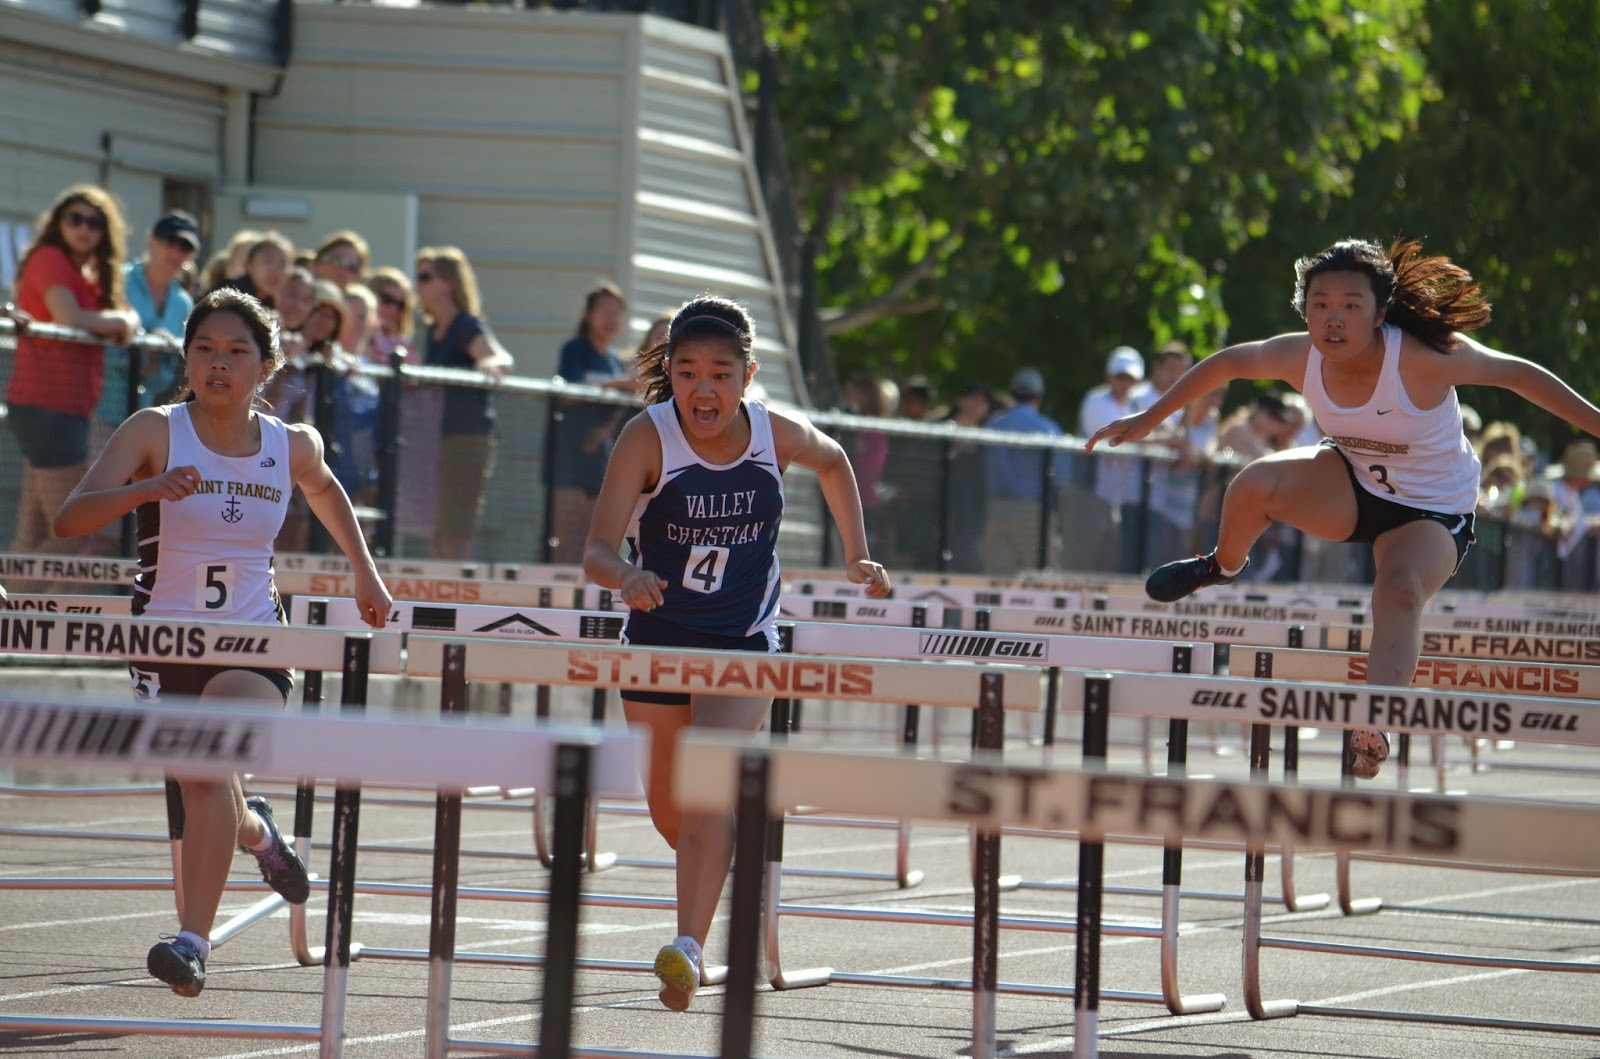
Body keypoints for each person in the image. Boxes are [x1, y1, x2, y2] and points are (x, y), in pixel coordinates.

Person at [1088, 238, 1600, 779]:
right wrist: (1149, 418)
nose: (1333, 319)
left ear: (1380, 313)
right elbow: (1229, 363)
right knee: (1252, 485)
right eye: (1320, 305)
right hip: (1352, 486)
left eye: (1351, 306)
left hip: (1431, 512)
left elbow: (1521, 376)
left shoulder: (1424, 358)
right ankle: (1221, 566)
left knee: (1399, 588)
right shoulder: (1299, 356)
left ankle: (1375, 722)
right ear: (1305, 310)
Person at [52, 288, 392, 996]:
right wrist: (144, 492)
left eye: (237, 351)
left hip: (254, 642)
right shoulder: (154, 430)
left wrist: (366, 573)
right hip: (163, 642)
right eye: (204, 348)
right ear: (186, 358)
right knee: (208, 784)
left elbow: (326, 491)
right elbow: (70, 519)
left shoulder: (289, 443)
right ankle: (260, 833)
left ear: (265, 367)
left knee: (208, 766)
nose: (218, 363)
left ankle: (193, 943)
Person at [580, 295, 890, 1012]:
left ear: (746, 376)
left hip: (744, 642)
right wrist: (626, 575)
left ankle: (687, 948)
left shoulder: (772, 435)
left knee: (708, 783)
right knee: (672, 810)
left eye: (720, 373)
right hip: (657, 640)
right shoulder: (646, 437)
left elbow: (836, 460)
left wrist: (858, 555)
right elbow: (595, 548)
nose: (703, 389)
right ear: (671, 377)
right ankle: (715, 863)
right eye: (686, 372)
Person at [4, 185, 142, 592]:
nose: (84, 229)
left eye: (95, 222)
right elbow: (69, 316)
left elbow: (129, 318)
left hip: (67, 410)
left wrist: (120, 321)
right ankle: (10, 614)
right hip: (46, 409)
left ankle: (10, 634)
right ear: (58, 223)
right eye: (75, 219)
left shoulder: (89, 274)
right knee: (74, 529)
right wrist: (115, 323)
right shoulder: (49, 259)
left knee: (33, 531)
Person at [416, 246, 514, 560]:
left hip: (466, 438)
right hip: (436, 437)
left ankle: (455, 604)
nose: (418, 284)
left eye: (425, 276)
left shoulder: (465, 325)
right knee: (436, 529)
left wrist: (488, 365)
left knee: (455, 530)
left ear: (448, 282)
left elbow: (499, 357)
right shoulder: (433, 331)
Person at [553, 281, 634, 563]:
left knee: (594, 542)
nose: (611, 319)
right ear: (588, 315)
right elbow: (571, 388)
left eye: (617, 312)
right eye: (604, 311)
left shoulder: (614, 359)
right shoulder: (574, 349)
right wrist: (619, 383)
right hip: (568, 462)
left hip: (600, 463)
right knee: (567, 542)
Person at [982, 366, 1066, 574]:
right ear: (1039, 396)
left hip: (996, 509)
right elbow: (1061, 477)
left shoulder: (994, 425)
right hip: (1035, 511)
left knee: (996, 584)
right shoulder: (1049, 430)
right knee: (1040, 583)